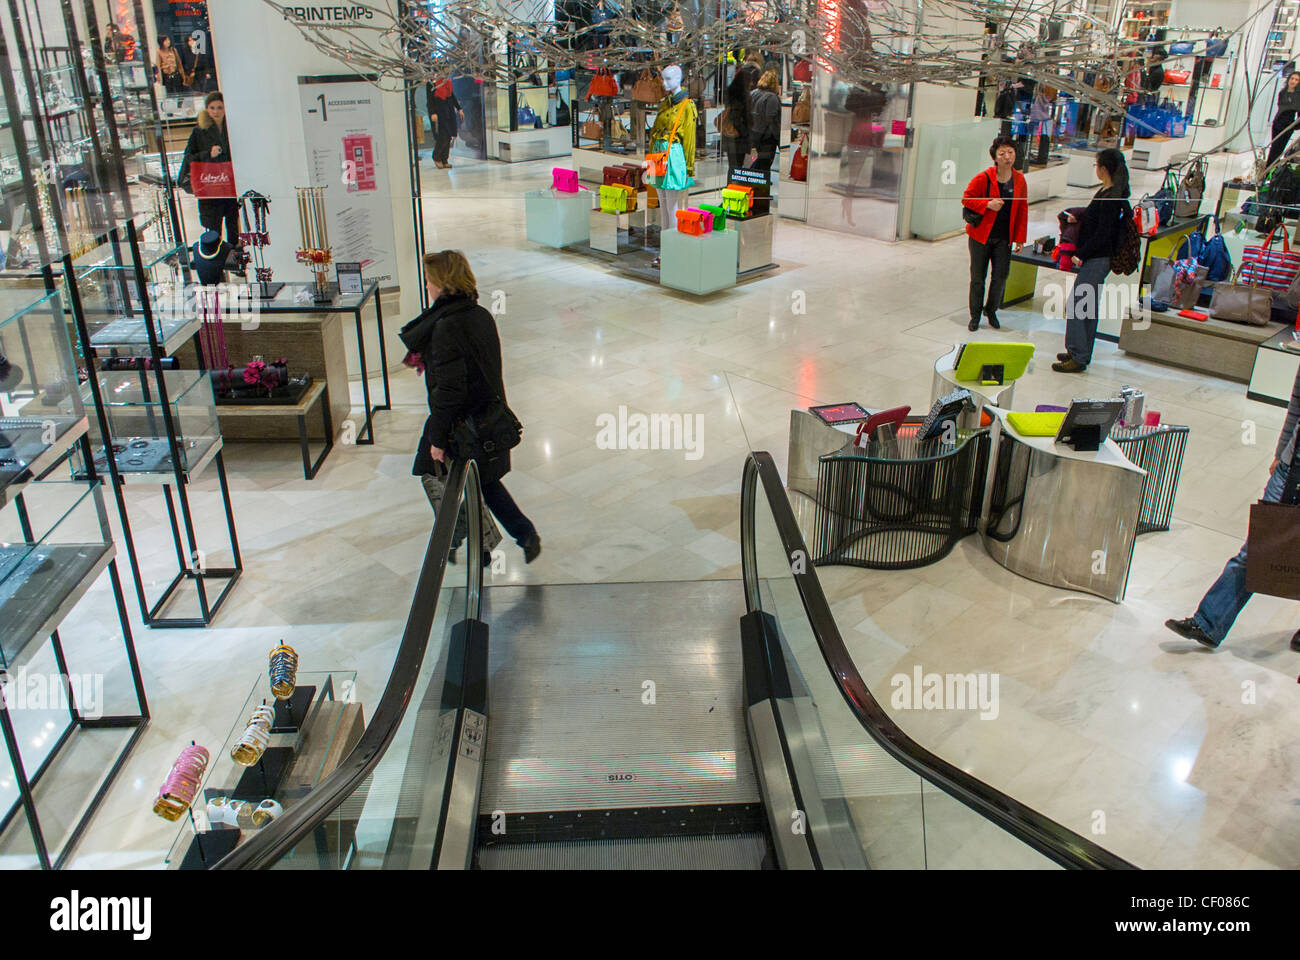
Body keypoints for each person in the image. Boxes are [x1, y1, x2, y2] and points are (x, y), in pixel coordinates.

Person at [400, 250, 541, 565]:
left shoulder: (445, 326)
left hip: (462, 425)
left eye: (429, 281)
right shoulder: (478, 315)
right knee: (484, 482)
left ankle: (461, 537)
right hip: (486, 419)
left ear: (442, 283)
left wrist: (437, 439)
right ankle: (509, 537)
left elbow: (449, 390)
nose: (427, 288)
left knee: (436, 473)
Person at [1166, 365, 1300, 651]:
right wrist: (1280, 453)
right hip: (1293, 465)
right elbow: (1296, 405)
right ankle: (1208, 623)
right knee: (1258, 548)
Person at [1052, 147, 1130, 373]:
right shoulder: (1108, 191)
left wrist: (1081, 253)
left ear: (1103, 169)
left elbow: (1104, 232)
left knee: (1077, 305)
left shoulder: (1112, 196)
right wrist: (1081, 217)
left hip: (1098, 258)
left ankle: (1078, 354)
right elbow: (1096, 217)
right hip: (1097, 257)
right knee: (1087, 307)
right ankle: (1081, 350)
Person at [961, 136, 1028, 332]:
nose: (1007, 157)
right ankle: (975, 315)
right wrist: (987, 204)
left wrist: (1020, 238)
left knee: (1000, 276)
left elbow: (1022, 208)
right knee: (978, 277)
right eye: (1002, 153)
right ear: (995, 157)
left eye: (1010, 152)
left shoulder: (1020, 180)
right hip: (981, 236)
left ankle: (991, 310)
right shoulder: (984, 177)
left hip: (1004, 237)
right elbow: (966, 198)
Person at [182, 92, 240, 247]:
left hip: (229, 186)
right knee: (213, 229)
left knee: (233, 225)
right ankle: (216, 261)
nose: (216, 111)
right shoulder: (199, 131)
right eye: (212, 107)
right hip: (210, 188)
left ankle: (235, 259)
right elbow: (189, 157)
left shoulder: (233, 129)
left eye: (219, 107)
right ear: (207, 109)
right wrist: (208, 154)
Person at [720, 68, 753, 181]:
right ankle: (734, 189)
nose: (752, 84)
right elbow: (736, 117)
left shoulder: (731, 92)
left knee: (733, 166)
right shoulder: (741, 96)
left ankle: (732, 188)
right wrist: (744, 132)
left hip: (730, 135)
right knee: (737, 167)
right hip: (738, 138)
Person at [749, 69, 781, 177]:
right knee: (764, 163)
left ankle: (755, 181)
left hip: (754, 133)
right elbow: (771, 120)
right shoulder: (772, 98)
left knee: (759, 160)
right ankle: (759, 184)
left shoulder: (753, 93)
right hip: (767, 137)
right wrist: (778, 139)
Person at [427, 79, 464, 169]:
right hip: (439, 110)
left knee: (448, 135)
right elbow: (430, 99)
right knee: (443, 134)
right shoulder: (432, 82)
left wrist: (459, 108)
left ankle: (444, 159)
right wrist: (432, 113)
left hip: (448, 109)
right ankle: (436, 156)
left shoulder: (447, 81)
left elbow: (451, 95)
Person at [1268, 71, 1300, 168]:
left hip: (1287, 125)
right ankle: (1269, 169)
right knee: (1274, 148)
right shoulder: (1282, 92)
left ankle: (1270, 169)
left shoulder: (1298, 95)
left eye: (1296, 80)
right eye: (1292, 78)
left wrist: (1295, 126)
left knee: (1278, 149)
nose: (1293, 81)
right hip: (1277, 123)